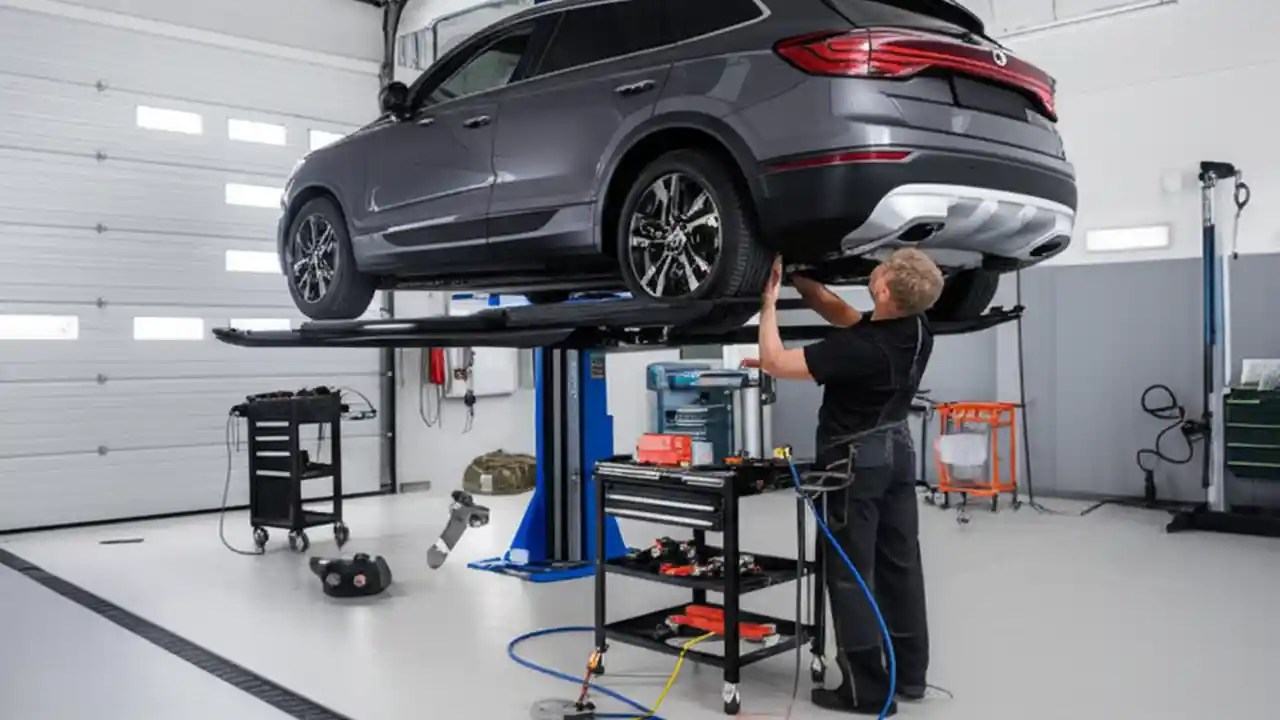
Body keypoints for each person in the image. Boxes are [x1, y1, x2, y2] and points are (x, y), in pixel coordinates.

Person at [756, 249, 945, 716]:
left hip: (855, 466)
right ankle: (911, 676)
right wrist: (803, 280)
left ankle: (865, 691)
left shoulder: (858, 351)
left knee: (851, 574)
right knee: (901, 566)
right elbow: (847, 316)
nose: (874, 269)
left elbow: (776, 362)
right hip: (898, 455)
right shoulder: (917, 328)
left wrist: (768, 302)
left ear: (882, 291)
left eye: (879, 270)